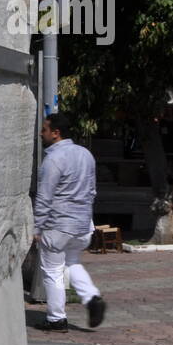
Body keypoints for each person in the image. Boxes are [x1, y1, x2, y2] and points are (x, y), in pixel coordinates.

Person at [34, 112, 106, 331]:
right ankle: (91, 297)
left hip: (58, 225)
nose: (41, 134)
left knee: (52, 271)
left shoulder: (53, 159)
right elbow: (92, 190)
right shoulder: (86, 154)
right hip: (83, 224)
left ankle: (56, 319)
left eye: (44, 130)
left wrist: (36, 227)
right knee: (72, 262)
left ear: (56, 133)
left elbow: (44, 196)